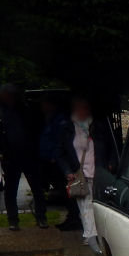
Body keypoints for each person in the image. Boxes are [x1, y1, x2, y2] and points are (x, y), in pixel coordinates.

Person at [56, 96, 118, 252]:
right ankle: (91, 235)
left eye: (84, 107)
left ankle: (98, 234)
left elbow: (111, 146)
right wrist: (68, 171)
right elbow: (61, 153)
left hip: (100, 173)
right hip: (80, 175)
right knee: (85, 206)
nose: (82, 111)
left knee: (99, 205)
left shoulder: (98, 125)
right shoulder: (67, 128)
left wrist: (111, 163)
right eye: (78, 108)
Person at [0, 83, 48, 230]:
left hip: (28, 154)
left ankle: (41, 217)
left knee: (36, 187)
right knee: (11, 189)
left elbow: (37, 129)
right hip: (10, 155)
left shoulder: (26, 109)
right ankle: (13, 220)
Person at [39, 94, 81, 230]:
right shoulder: (51, 119)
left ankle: (74, 218)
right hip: (53, 159)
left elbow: (59, 141)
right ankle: (72, 217)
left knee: (68, 192)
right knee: (65, 192)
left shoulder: (60, 121)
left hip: (58, 161)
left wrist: (54, 156)